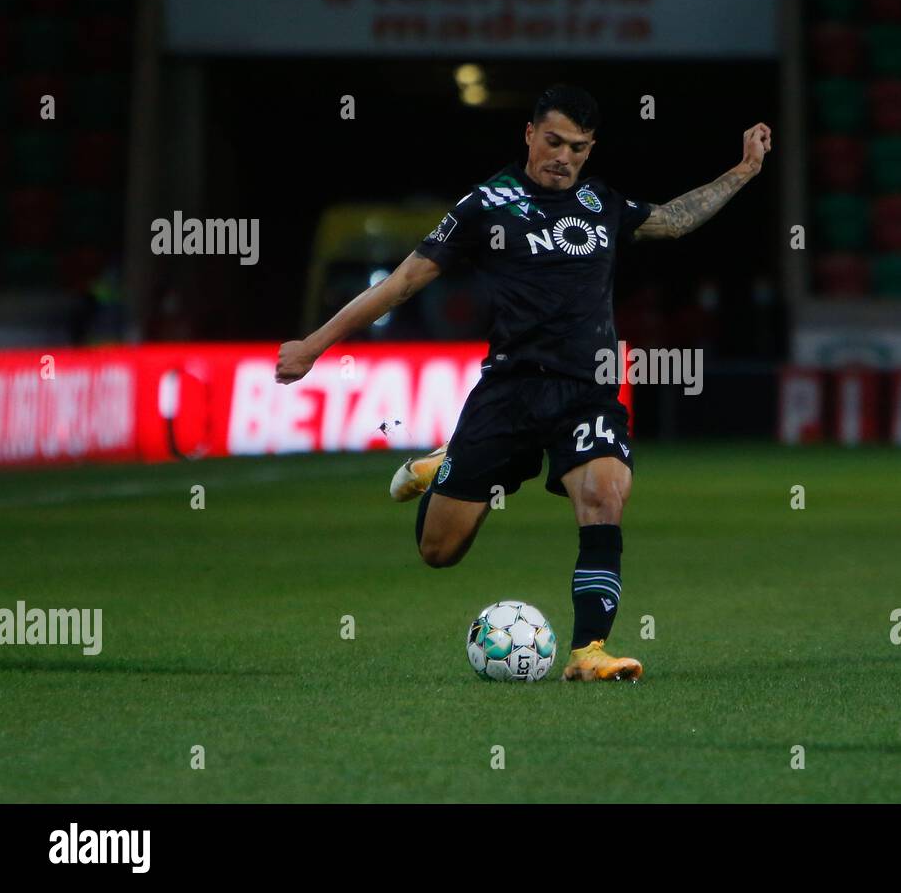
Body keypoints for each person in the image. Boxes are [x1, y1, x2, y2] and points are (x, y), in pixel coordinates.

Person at [276, 83, 771, 681]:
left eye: (580, 148)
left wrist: (743, 171)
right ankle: (449, 464)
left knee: (605, 496)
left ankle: (589, 652)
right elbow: (403, 282)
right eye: (555, 141)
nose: (565, 157)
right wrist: (313, 345)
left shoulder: (602, 202)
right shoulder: (486, 204)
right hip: (510, 392)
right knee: (439, 552)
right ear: (530, 135)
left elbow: (671, 222)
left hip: (586, 390)